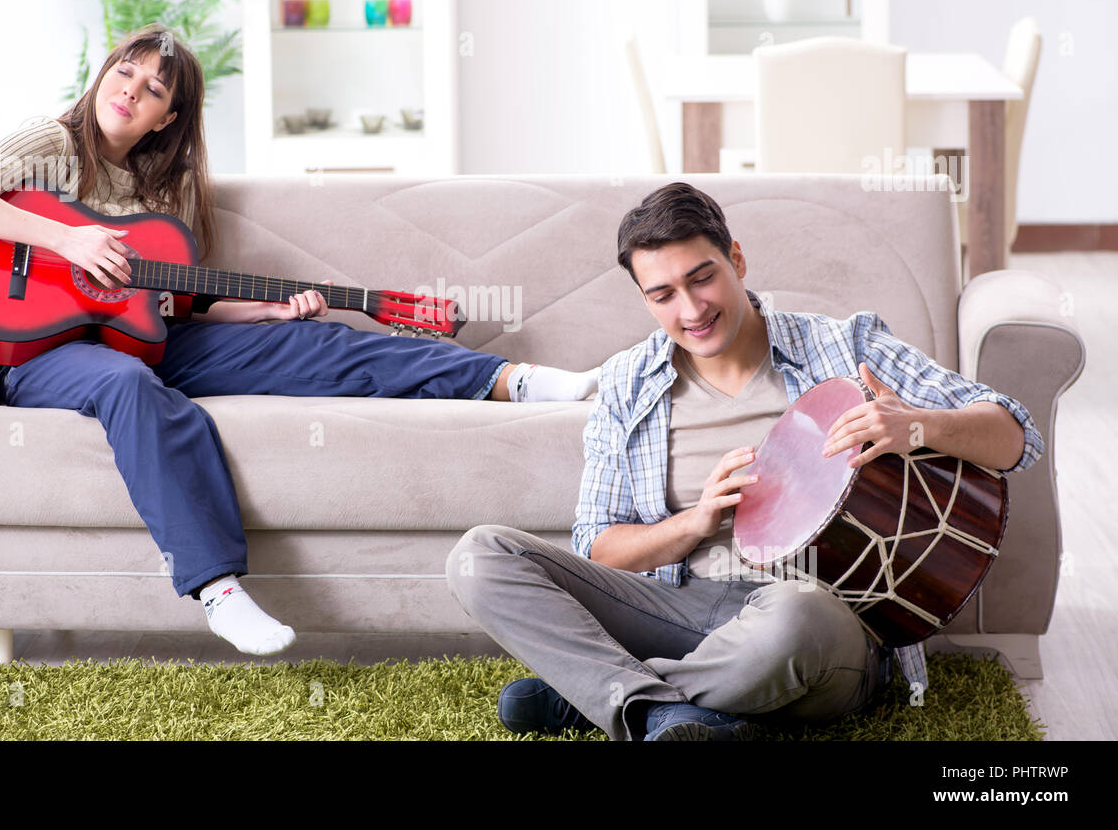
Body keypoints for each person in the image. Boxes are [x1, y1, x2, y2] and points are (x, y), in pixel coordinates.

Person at [0, 23, 598, 657]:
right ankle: (218, 589)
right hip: (44, 353)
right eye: (125, 72)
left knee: (323, 343)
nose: (130, 89)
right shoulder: (53, 141)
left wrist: (261, 314)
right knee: (128, 385)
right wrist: (66, 238)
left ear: (167, 117)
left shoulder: (171, 189)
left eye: (154, 88)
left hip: (144, 338)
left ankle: (510, 378)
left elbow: (168, 306)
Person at [445, 181, 1043, 741]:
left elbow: (1017, 437)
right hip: (683, 607)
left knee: (793, 620)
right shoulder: (627, 382)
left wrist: (916, 424)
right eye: (663, 295)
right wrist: (696, 522)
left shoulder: (845, 344)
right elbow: (598, 548)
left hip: (821, 614)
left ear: (737, 258)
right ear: (645, 300)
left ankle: (600, 696)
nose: (691, 309)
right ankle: (673, 712)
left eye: (702, 278)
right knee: (482, 556)